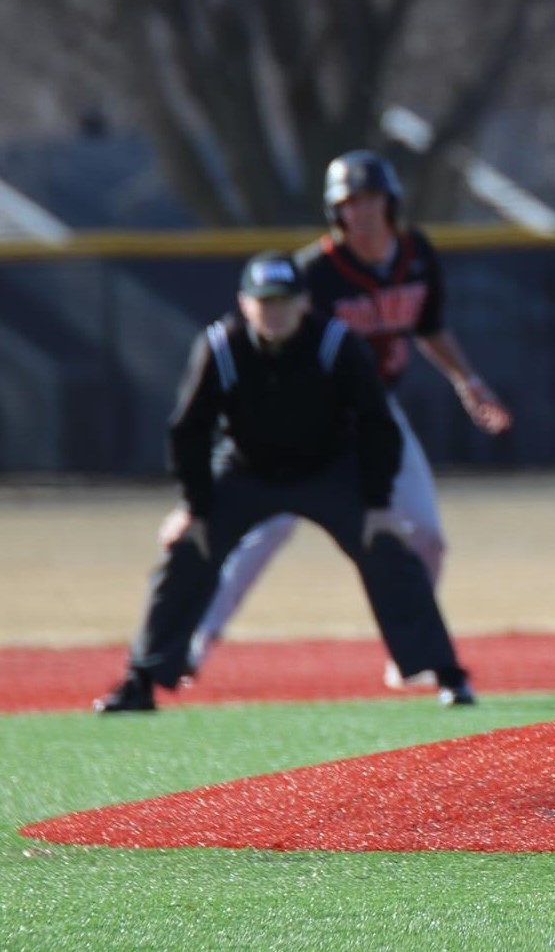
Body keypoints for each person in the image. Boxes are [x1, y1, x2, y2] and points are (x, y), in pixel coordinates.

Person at [94, 252, 476, 712]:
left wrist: (377, 505)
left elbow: (378, 425)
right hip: (247, 470)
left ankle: (446, 673)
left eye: (283, 301)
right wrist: (193, 508)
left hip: (331, 469)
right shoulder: (222, 347)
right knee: (188, 547)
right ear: (244, 303)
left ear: (304, 303)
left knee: (387, 546)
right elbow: (189, 430)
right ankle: (143, 678)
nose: (273, 311)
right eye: (264, 302)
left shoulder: (336, 344)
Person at [188, 150, 512, 688]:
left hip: (378, 414)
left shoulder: (417, 254)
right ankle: (197, 642)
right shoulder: (314, 272)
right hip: (309, 423)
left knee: (428, 538)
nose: (360, 211)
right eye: (348, 202)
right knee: (265, 532)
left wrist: (467, 381)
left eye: (369, 199)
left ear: (390, 203)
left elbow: (430, 326)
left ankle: (411, 649)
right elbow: (265, 336)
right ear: (335, 212)